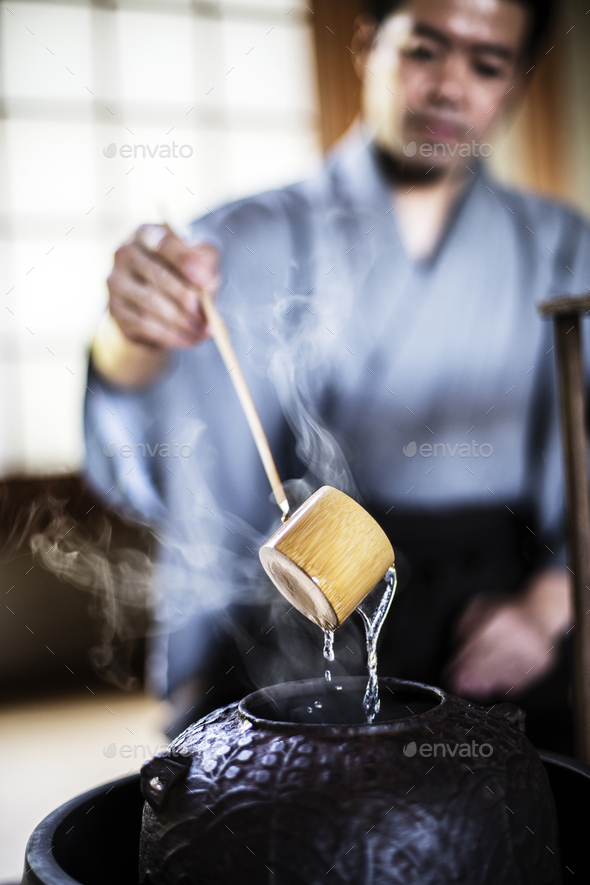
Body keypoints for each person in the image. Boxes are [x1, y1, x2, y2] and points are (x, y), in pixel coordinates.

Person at [86, 0, 589, 751]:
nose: (450, 87)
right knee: (247, 795)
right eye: (424, 49)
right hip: (294, 595)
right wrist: (130, 337)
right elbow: (165, 467)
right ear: (365, 43)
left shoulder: (563, 247)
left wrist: (551, 604)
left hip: (499, 595)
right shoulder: (239, 239)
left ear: (514, 82)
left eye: (486, 64)